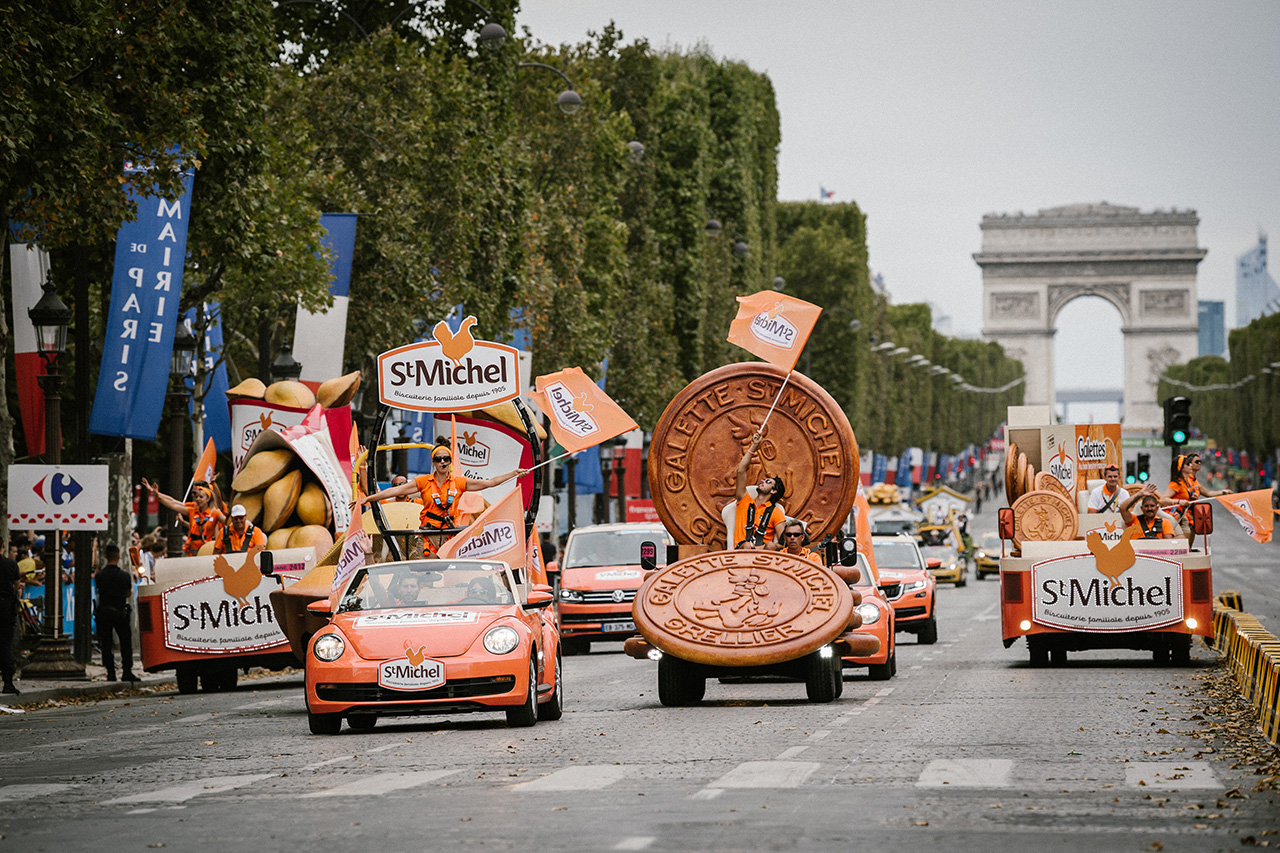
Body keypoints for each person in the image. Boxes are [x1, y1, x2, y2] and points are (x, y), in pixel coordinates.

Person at [354, 441, 529, 555]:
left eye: (446, 459)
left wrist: (514, 473)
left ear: (450, 461)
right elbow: (390, 493)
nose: (443, 462)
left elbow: (490, 482)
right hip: (425, 537)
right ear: (434, 463)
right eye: (438, 459)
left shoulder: (459, 482)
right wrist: (367, 499)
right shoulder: (423, 482)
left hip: (449, 536)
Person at [732, 431, 787, 550]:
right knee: (746, 545)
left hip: (764, 556)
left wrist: (761, 548)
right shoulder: (744, 501)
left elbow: (783, 543)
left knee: (771, 545)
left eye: (768, 482)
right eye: (764, 479)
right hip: (741, 554)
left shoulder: (776, 512)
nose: (762, 481)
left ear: (773, 491)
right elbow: (741, 470)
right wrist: (754, 446)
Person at [141, 478, 225, 556]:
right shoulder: (192, 509)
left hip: (207, 550)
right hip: (191, 550)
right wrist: (157, 495)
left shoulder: (215, 512)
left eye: (200, 496)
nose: (197, 498)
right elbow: (173, 503)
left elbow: (228, 522)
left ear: (208, 498)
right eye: (196, 496)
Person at [1163, 453, 1230, 550]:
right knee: (1182, 546)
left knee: (1187, 547)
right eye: (1195, 462)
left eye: (1200, 461)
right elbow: (1164, 498)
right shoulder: (1179, 482)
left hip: (1190, 516)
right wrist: (1179, 501)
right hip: (1181, 515)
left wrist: (1223, 492)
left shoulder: (1191, 481)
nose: (1199, 463)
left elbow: (1207, 493)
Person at [95, 543, 139, 682]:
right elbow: (128, 593)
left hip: (104, 611)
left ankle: (111, 672)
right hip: (120, 611)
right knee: (125, 642)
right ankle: (127, 671)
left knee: (106, 644)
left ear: (106, 556)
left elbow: (99, 590)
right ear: (119, 556)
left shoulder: (100, 575)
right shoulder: (125, 576)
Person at [1, 537, 21, 694]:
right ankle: (8, 681)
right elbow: (16, 584)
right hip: (5, 607)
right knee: (5, 644)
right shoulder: (10, 564)